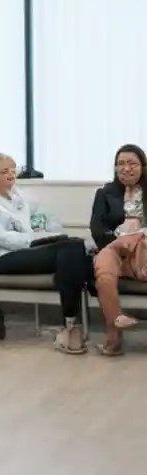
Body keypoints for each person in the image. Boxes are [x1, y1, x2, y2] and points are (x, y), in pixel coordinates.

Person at [0, 152, 90, 354]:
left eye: (13, 170)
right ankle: (71, 326)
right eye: (4, 171)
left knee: (74, 247)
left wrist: (50, 234)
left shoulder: (21, 197)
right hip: (2, 258)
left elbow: (48, 217)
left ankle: (69, 325)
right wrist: (36, 240)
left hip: (29, 250)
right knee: (73, 249)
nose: (11, 174)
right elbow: (3, 238)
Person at [89, 144, 147, 355]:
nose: (125, 168)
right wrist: (118, 240)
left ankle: (113, 338)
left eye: (132, 163)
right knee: (103, 265)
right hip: (116, 249)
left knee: (138, 240)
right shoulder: (105, 193)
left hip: (144, 249)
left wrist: (139, 236)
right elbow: (97, 229)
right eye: (120, 164)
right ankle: (115, 327)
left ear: (143, 166)